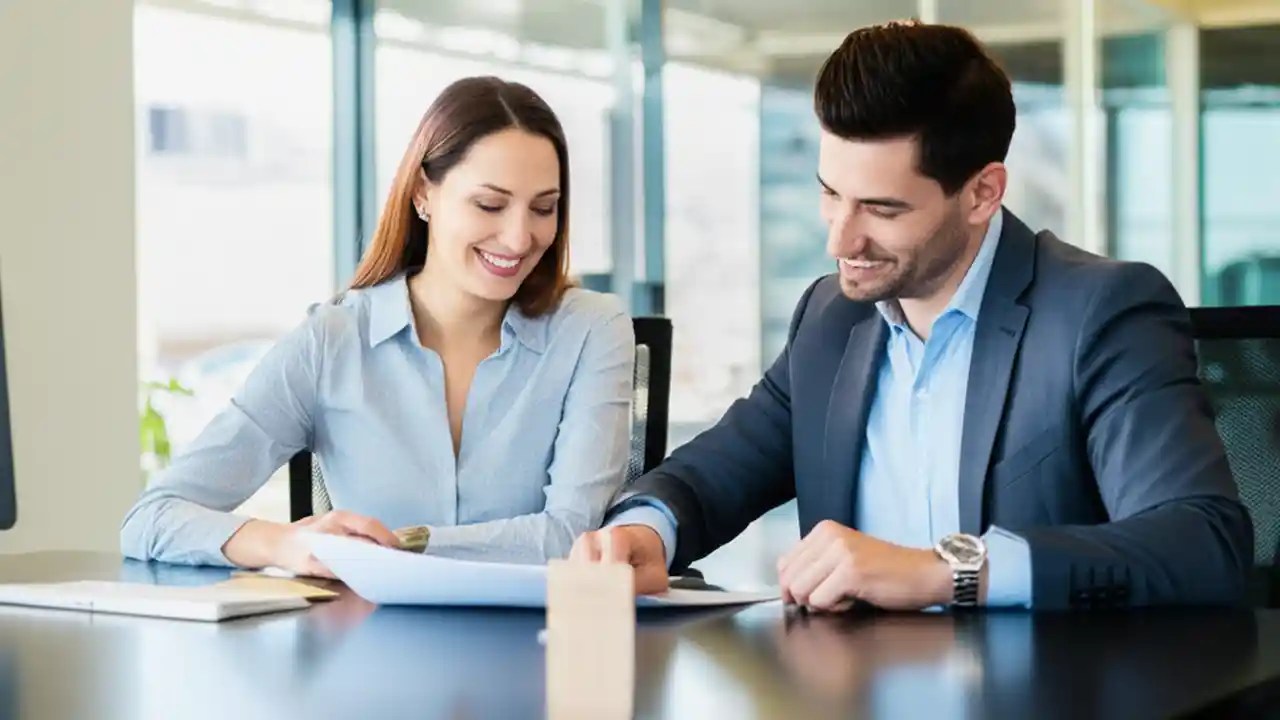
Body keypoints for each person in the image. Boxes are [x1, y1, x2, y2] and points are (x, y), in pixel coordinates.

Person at [571, 21, 1253, 611]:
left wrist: (944, 571)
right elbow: (715, 472)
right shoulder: (831, 318)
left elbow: (1201, 539)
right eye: (831, 194)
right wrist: (646, 530)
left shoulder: (1098, 312)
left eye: (882, 209)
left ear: (983, 192)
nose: (840, 240)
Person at [122, 76, 635, 575]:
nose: (520, 237)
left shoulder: (592, 330)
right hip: (365, 645)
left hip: (539, 646)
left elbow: (570, 536)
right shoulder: (332, 341)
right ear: (423, 195)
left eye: (543, 208)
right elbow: (153, 518)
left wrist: (397, 547)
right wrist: (286, 542)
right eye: (490, 205)